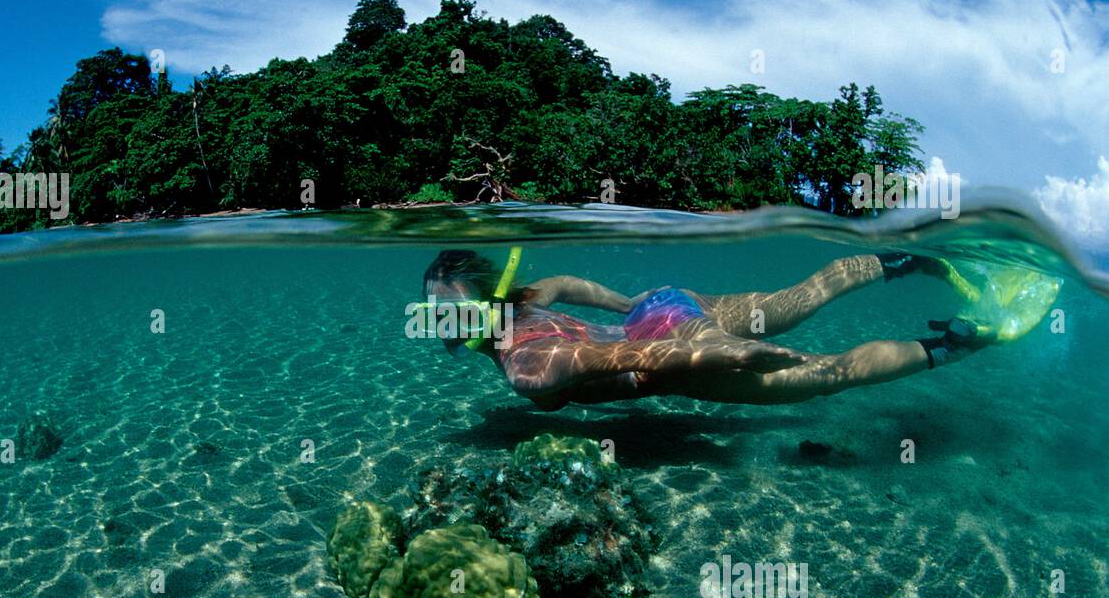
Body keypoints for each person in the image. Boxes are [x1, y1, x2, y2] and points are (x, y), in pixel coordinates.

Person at [419, 248, 992, 411]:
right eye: (437, 313)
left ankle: (954, 342)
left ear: (489, 305)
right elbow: (565, 281)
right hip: (666, 306)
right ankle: (903, 261)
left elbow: (628, 362)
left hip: (671, 345)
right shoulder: (527, 298)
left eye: (455, 312)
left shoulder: (526, 366)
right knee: (793, 300)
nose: (445, 325)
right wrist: (631, 306)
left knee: (821, 376)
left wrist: (725, 357)